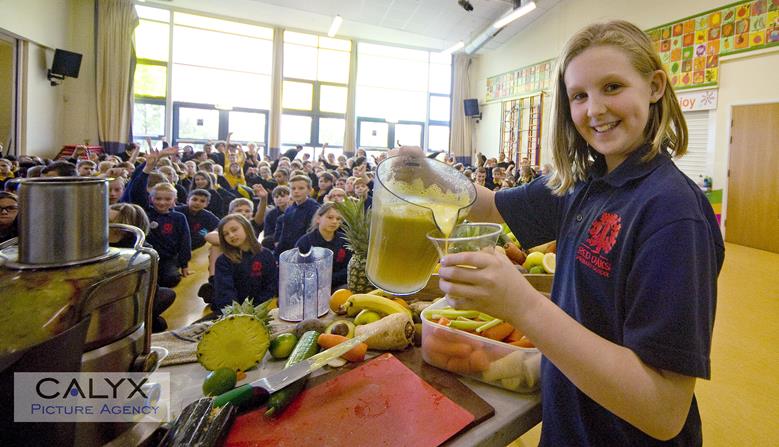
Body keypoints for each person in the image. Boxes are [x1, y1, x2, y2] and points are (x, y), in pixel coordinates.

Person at [430, 20, 724, 445]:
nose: (595, 109)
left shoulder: (673, 214)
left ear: (655, 86)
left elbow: (663, 410)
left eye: (612, 87)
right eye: (579, 96)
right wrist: (425, 173)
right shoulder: (586, 184)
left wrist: (523, 305)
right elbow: (492, 206)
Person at [108, 203, 175, 332]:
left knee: (167, 294)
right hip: (111, 300)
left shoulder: (142, 251)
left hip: (133, 298)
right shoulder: (97, 245)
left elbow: (150, 288)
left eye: (110, 222)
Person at [212, 214, 277, 314]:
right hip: (233, 313)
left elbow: (270, 285)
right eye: (226, 234)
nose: (231, 235)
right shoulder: (223, 261)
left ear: (246, 228)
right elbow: (225, 292)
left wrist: (256, 309)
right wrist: (237, 313)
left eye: (234, 230)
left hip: (260, 309)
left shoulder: (266, 255)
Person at [145, 182, 192, 288]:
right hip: (148, 258)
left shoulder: (179, 217)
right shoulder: (145, 215)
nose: (162, 203)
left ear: (174, 200)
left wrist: (184, 264)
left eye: (167, 199)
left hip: (168, 258)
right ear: (151, 199)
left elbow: (185, 241)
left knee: (171, 279)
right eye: (158, 199)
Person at [295, 203, 351, 289]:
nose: (334, 221)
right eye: (330, 217)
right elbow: (299, 271)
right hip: (311, 288)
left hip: (339, 287)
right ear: (318, 219)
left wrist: (331, 279)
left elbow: (348, 268)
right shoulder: (305, 242)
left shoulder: (345, 240)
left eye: (338, 219)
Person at [273, 175, 319, 257]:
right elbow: (284, 234)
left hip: (305, 252)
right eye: (293, 188)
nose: (296, 191)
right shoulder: (289, 209)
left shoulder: (314, 209)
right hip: (289, 251)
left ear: (309, 190)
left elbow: (310, 235)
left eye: (301, 188)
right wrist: (277, 255)